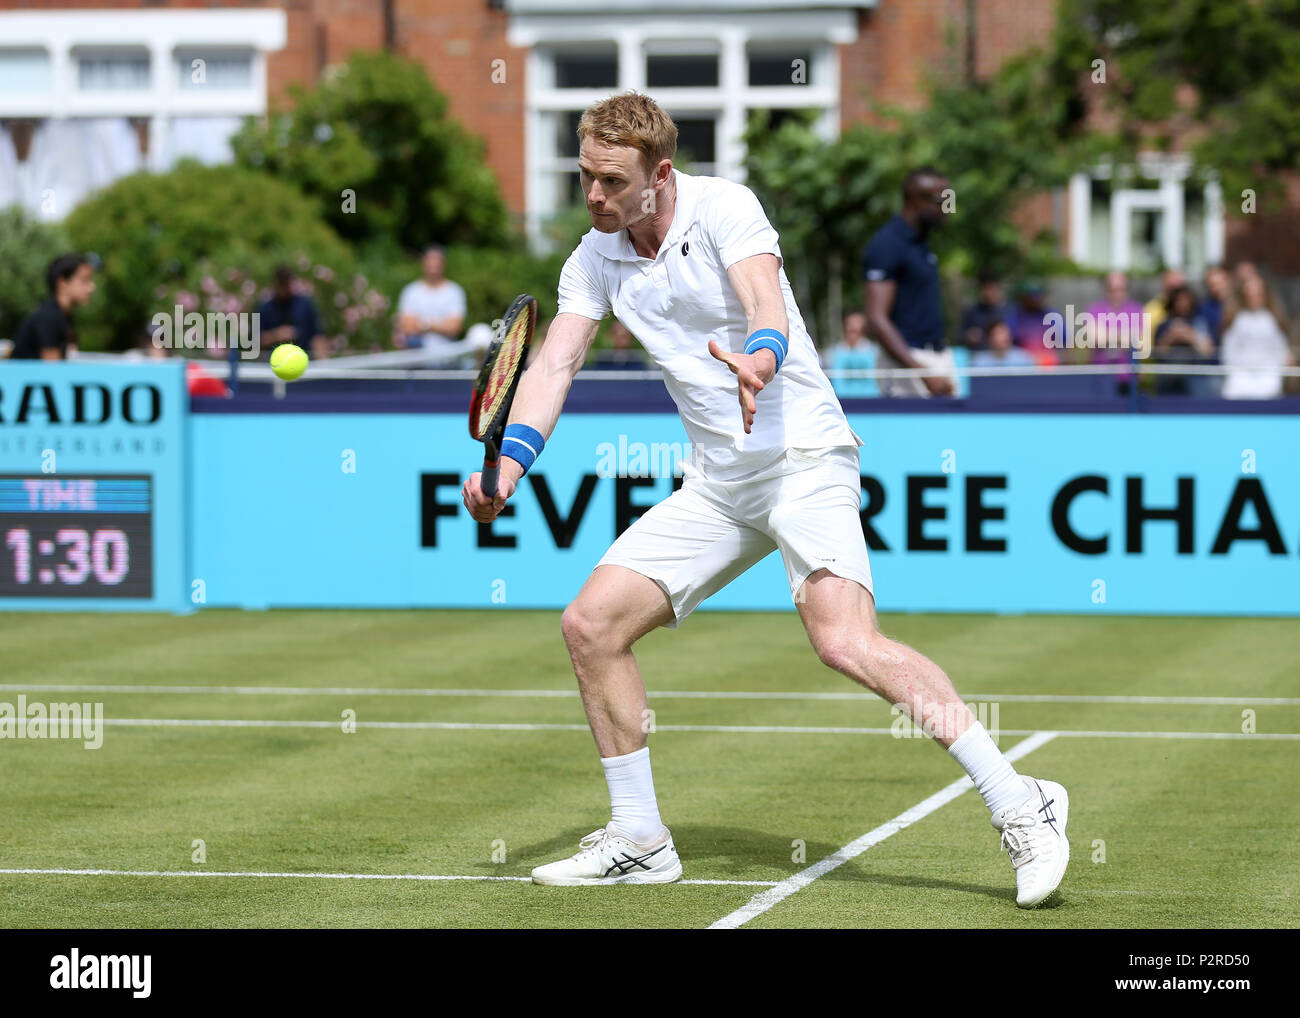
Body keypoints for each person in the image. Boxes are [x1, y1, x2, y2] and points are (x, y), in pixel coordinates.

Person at [462, 92, 1070, 908]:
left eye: (611, 181)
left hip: (804, 458)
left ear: (661, 173)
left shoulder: (725, 208)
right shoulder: (593, 257)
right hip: (717, 484)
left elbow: (764, 302)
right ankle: (640, 840)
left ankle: (1021, 802)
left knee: (845, 642)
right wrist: (512, 466)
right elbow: (555, 365)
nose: (595, 196)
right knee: (591, 625)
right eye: (585, 178)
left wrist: (761, 357)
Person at [861, 167, 958, 397]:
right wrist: (922, 372)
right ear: (917, 200)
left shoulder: (920, 243)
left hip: (935, 358)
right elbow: (876, 319)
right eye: (943, 201)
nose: (949, 209)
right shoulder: (888, 244)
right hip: (907, 366)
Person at [8, 253, 95, 360]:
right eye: (84, 280)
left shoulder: (62, 315)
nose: (91, 287)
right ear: (62, 283)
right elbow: (52, 372)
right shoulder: (49, 317)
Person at [1220, 275, 1294, 400]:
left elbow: (1280, 350)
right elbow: (1229, 352)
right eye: (1250, 293)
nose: (1254, 297)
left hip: (1269, 377)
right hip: (1241, 378)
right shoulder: (1238, 320)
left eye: (1258, 293)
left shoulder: (1272, 320)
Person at [396, 244, 468, 364]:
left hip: (447, 361)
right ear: (423, 263)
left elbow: (455, 327)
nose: (433, 264)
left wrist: (423, 324)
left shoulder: (455, 291)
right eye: (430, 260)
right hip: (416, 361)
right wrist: (440, 325)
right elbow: (407, 326)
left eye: (436, 260)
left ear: (443, 264)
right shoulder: (411, 291)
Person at [1085, 271, 1145, 392]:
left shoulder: (1136, 309)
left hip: (1129, 378)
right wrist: (1123, 337)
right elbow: (1094, 338)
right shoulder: (1094, 310)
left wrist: (1107, 335)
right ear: (1106, 290)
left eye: (1121, 289)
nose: (1117, 294)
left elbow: (1139, 340)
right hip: (1100, 377)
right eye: (1112, 289)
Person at [257, 266, 327, 360]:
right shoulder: (264, 308)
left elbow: (317, 336)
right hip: (271, 366)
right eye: (281, 284)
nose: (284, 288)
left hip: (304, 363)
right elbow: (255, 341)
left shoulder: (305, 305)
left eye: (286, 283)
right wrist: (277, 335)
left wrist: (323, 363)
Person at [823, 310, 878, 398]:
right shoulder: (831, 353)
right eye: (851, 329)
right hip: (840, 401)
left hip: (871, 401)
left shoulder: (876, 352)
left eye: (858, 330)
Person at [1007, 279, 1061, 366]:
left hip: (1050, 365)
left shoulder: (1053, 316)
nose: (1036, 299)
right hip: (1021, 365)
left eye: (1039, 295)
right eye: (1032, 296)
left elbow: (1065, 344)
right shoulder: (1014, 317)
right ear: (1023, 297)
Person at [959, 268, 1014, 351]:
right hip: (980, 358)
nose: (988, 293)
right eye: (985, 289)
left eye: (991, 288)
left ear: (998, 288)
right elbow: (959, 337)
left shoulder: (1010, 310)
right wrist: (969, 337)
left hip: (1007, 359)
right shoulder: (972, 312)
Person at [1143, 267, 1185, 335]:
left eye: (1178, 289)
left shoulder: (1192, 307)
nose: (1175, 293)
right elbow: (1146, 338)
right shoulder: (1152, 308)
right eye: (1171, 287)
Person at [1199, 265, 1231, 343]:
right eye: (1213, 285)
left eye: (1220, 283)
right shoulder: (1204, 307)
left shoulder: (1238, 304)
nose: (1217, 288)